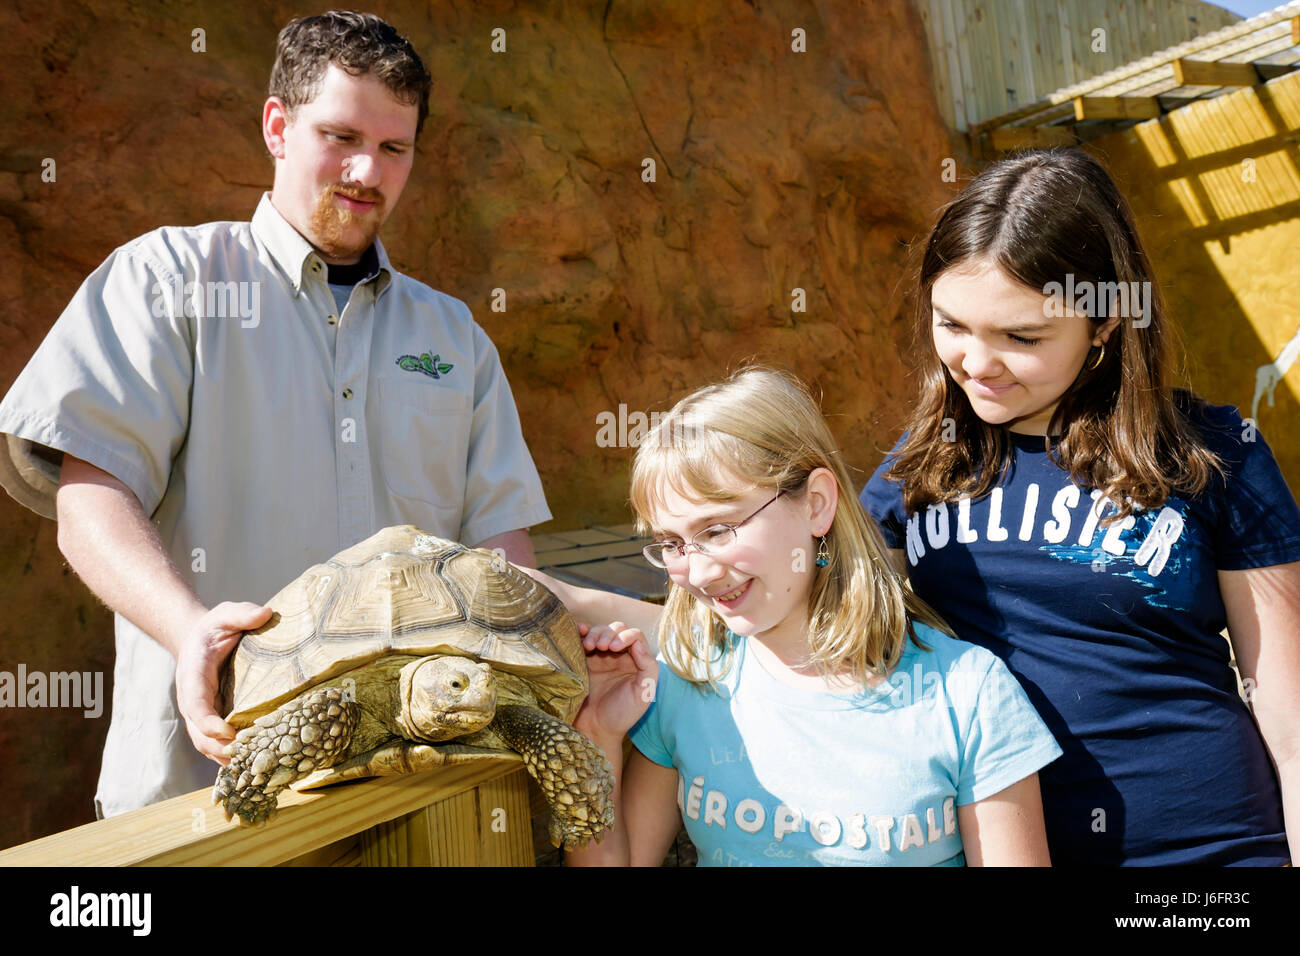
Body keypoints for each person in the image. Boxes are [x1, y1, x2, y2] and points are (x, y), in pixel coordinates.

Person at [0, 11, 551, 818]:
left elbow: (503, 559)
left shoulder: (455, 339)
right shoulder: (168, 281)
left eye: (395, 148)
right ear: (277, 126)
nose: (367, 169)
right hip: (207, 788)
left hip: (413, 796)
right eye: (341, 135)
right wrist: (190, 630)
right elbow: (90, 500)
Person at [860, 148, 1300, 865]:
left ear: (1104, 324)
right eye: (953, 325)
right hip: (995, 848)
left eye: (1021, 337)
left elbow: (1289, 708)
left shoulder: (1216, 454)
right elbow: (795, 608)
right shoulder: (921, 464)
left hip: (1205, 858)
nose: (976, 363)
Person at [558, 367, 1063, 866]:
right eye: (672, 543)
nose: (699, 572)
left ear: (816, 504)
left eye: (718, 529)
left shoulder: (968, 694)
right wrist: (598, 736)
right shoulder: (687, 681)